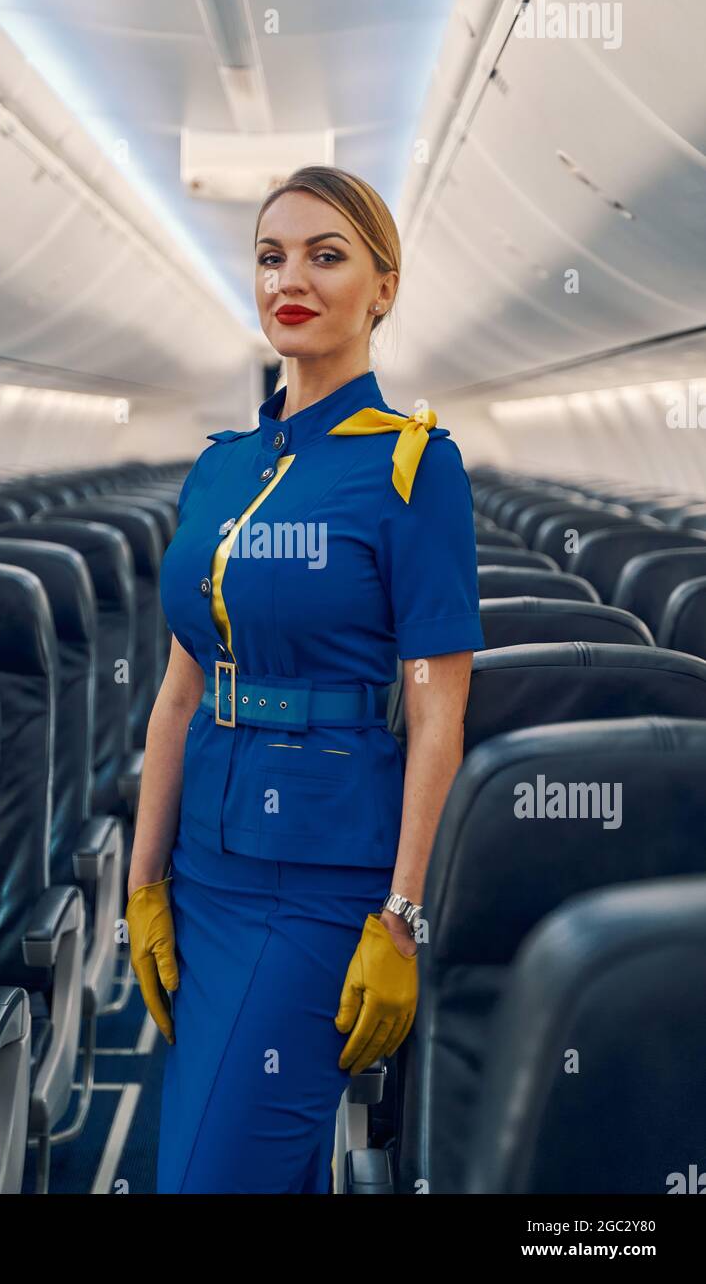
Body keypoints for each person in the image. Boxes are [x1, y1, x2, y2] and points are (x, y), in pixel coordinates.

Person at [126, 165, 484, 1194]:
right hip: (203, 865)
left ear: (383, 286)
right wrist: (141, 882)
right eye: (271, 255)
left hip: (319, 878)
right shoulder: (221, 468)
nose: (292, 277)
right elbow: (176, 694)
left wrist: (402, 920)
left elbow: (436, 714)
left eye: (327, 255)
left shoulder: (412, 469)